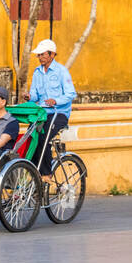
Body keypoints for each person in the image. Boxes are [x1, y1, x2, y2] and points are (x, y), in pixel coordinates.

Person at [27, 38, 77, 179]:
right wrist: (29, 96)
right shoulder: (37, 72)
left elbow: (71, 94)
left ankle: (46, 174)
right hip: (42, 113)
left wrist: (56, 100)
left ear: (52, 54)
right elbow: (35, 96)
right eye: (39, 55)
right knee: (31, 138)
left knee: (43, 137)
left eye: (43, 54)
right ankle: (34, 172)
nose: (40, 57)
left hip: (59, 113)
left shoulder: (62, 71)